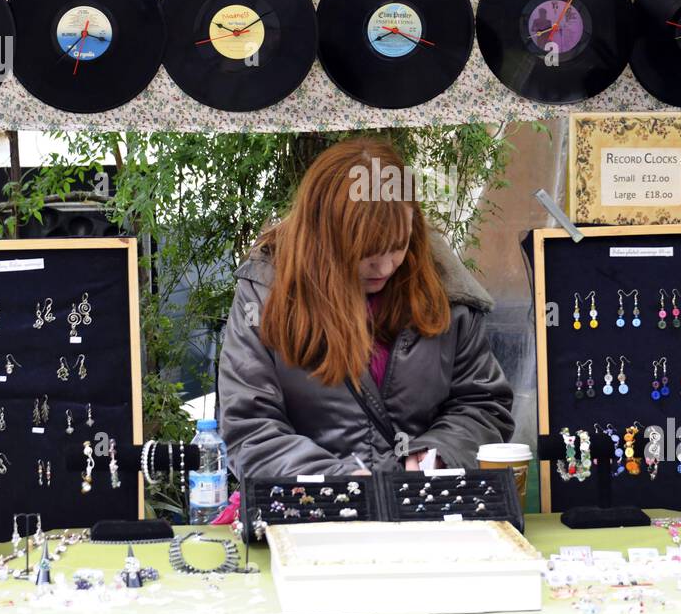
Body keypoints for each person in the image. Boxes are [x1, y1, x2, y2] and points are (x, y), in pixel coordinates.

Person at [219, 138, 515, 479]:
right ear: (324, 238)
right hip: (312, 514)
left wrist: (438, 454)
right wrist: (333, 479)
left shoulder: (447, 292)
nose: (385, 267)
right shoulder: (265, 293)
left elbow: (483, 405)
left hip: (424, 511)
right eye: (367, 253)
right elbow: (249, 427)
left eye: (397, 246)